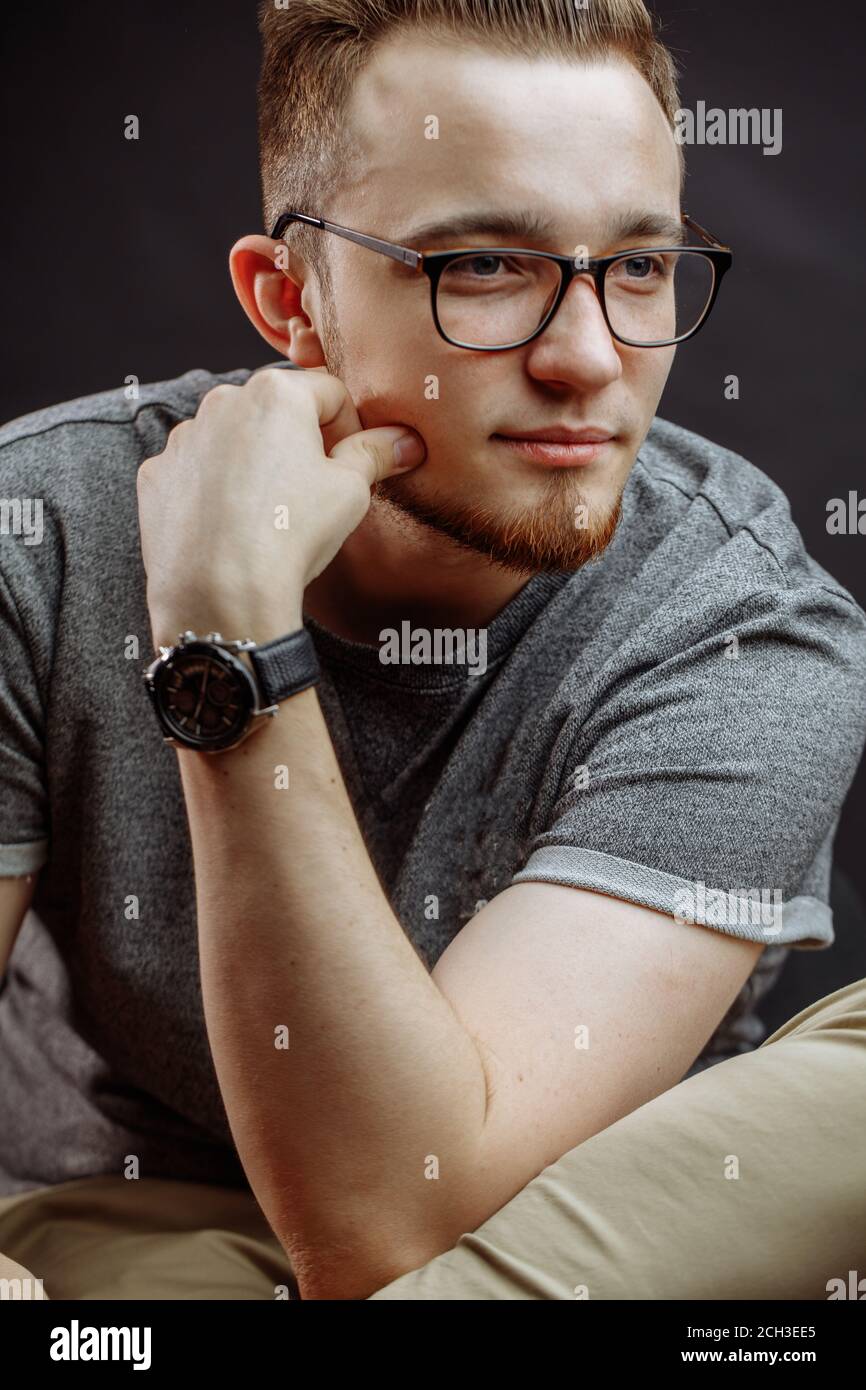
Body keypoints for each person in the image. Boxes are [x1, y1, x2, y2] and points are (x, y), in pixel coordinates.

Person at [1, 0, 864, 1300]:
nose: (588, 359)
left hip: (561, 1230)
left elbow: (386, 1232)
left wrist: (225, 648)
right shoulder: (40, 533)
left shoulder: (744, 623)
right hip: (127, 1233)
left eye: (637, 267)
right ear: (289, 298)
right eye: (481, 268)